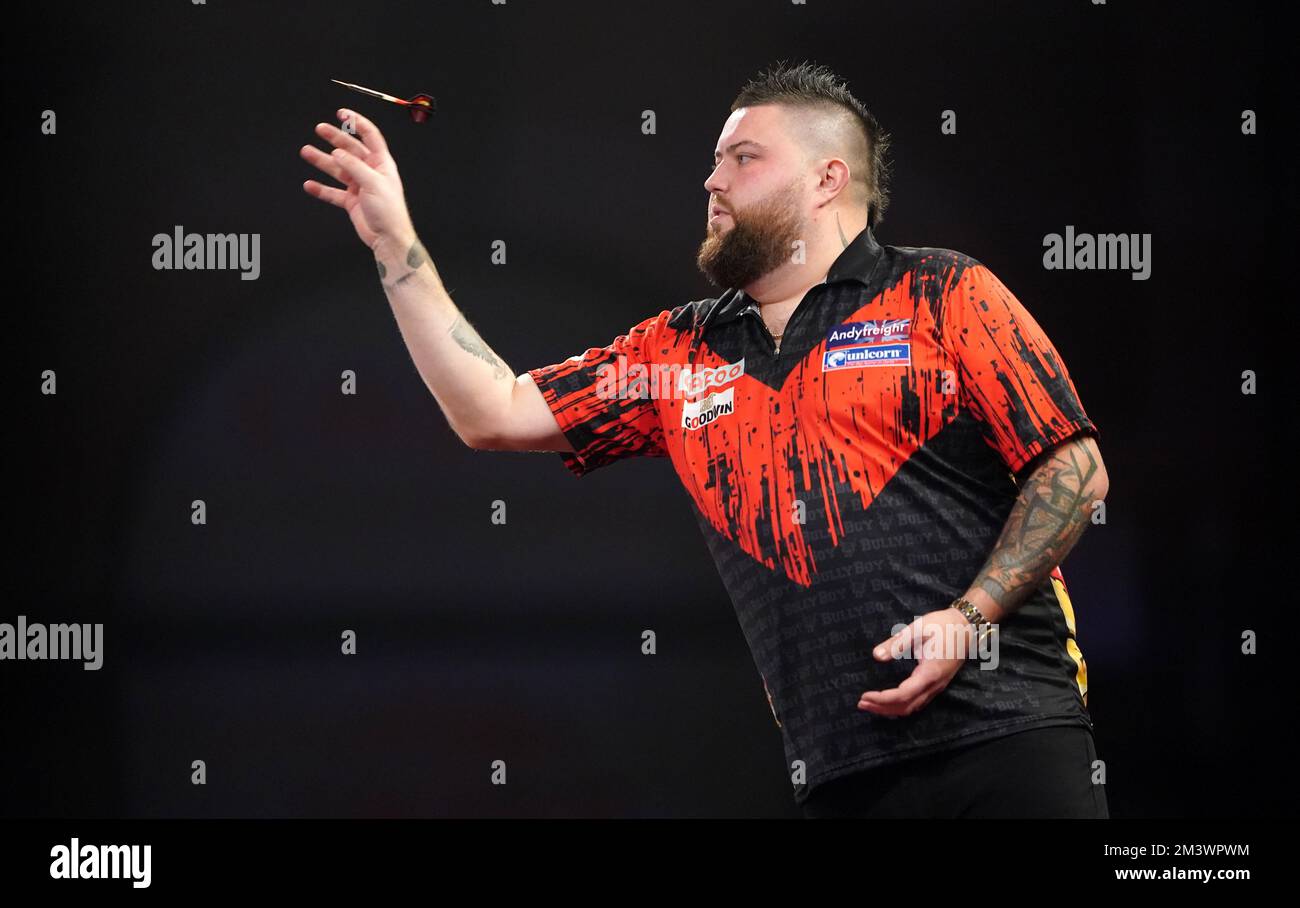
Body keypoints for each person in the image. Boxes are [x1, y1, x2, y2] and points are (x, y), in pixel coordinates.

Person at [301, 59, 1110, 818]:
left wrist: (971, 617)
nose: (711, 181)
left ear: (828, 179)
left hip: (1009, 738)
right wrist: (392, 243)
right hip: (840, 774)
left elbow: (1074, 468)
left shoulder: (942, 291)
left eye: (743, 159)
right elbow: (494, 410)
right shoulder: (677, 352)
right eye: (715, 161)